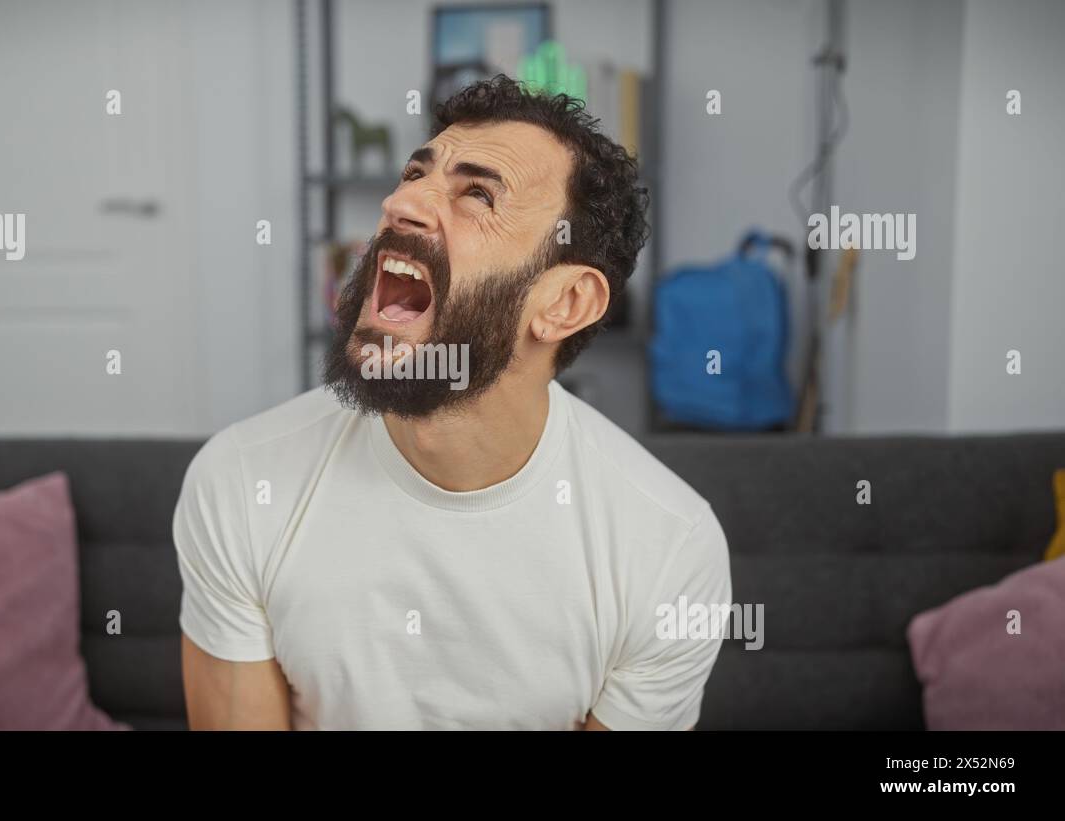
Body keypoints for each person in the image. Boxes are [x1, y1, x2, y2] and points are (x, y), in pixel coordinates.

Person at [173, 75, 731, 730]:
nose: (400, 202)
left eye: (477, 194)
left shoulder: (668, 549)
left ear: (566, 303)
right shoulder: (243, 480)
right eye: (416, 174)